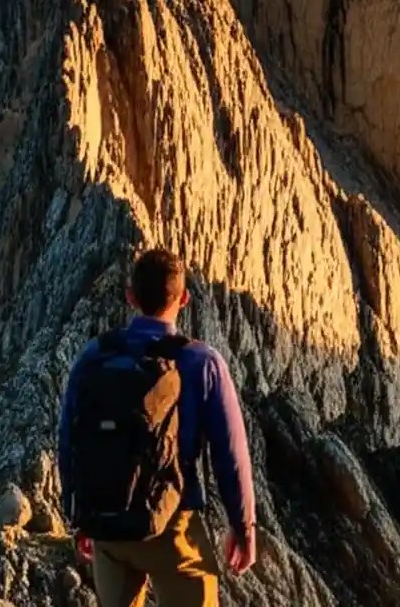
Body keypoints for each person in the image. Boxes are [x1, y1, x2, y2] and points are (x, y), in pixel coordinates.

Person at [58, 248, 256, 607]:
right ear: (184, 299)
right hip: (172, 527)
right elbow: (231, 456)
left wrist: (80, 518)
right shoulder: (201, 362)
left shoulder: (95, 356)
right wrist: (243, 529)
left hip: (107, 523)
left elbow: (69, 440)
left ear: (130, 297)